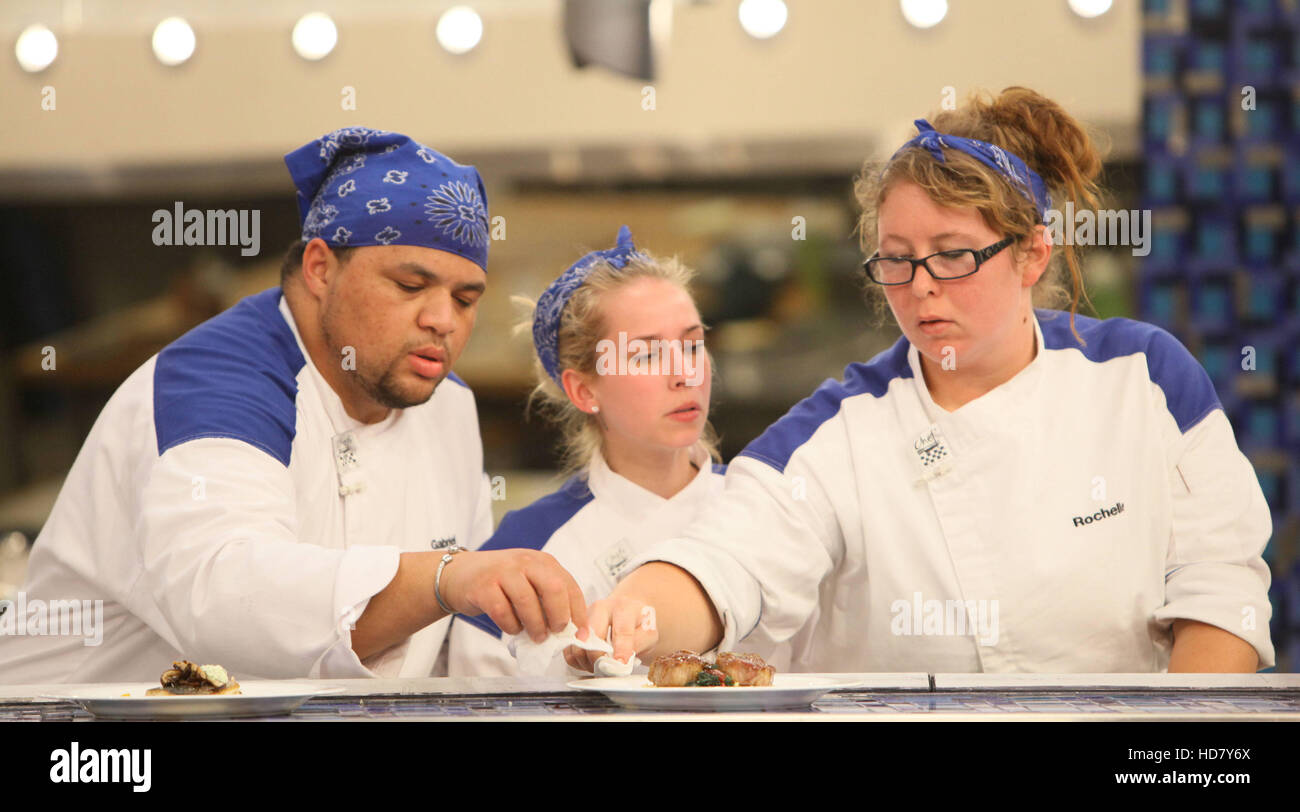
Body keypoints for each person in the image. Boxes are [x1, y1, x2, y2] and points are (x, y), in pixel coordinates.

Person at [568, 88, 1275, 674]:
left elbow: (1222, 592)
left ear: (1032, 254)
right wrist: (639, 610)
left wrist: (1182, 756)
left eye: (952, 256)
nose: (922, 289)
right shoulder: (841, 429)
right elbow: (727, 561)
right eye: (897, 259)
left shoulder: (1143, 378)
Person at [0, 127, 589, 683]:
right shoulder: (216, 382)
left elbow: (452, 645)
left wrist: (564, 653)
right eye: (411, 287)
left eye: (464, 299)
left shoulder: (447, 406)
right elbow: (224, 601)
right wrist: (446, 577)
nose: (442, 320)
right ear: (320, 268)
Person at [448, 227, 732, 677]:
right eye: (646, 355)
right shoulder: (520, 551)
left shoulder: (763, 506)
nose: (685, 373)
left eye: (693, 344)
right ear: (583, 390)